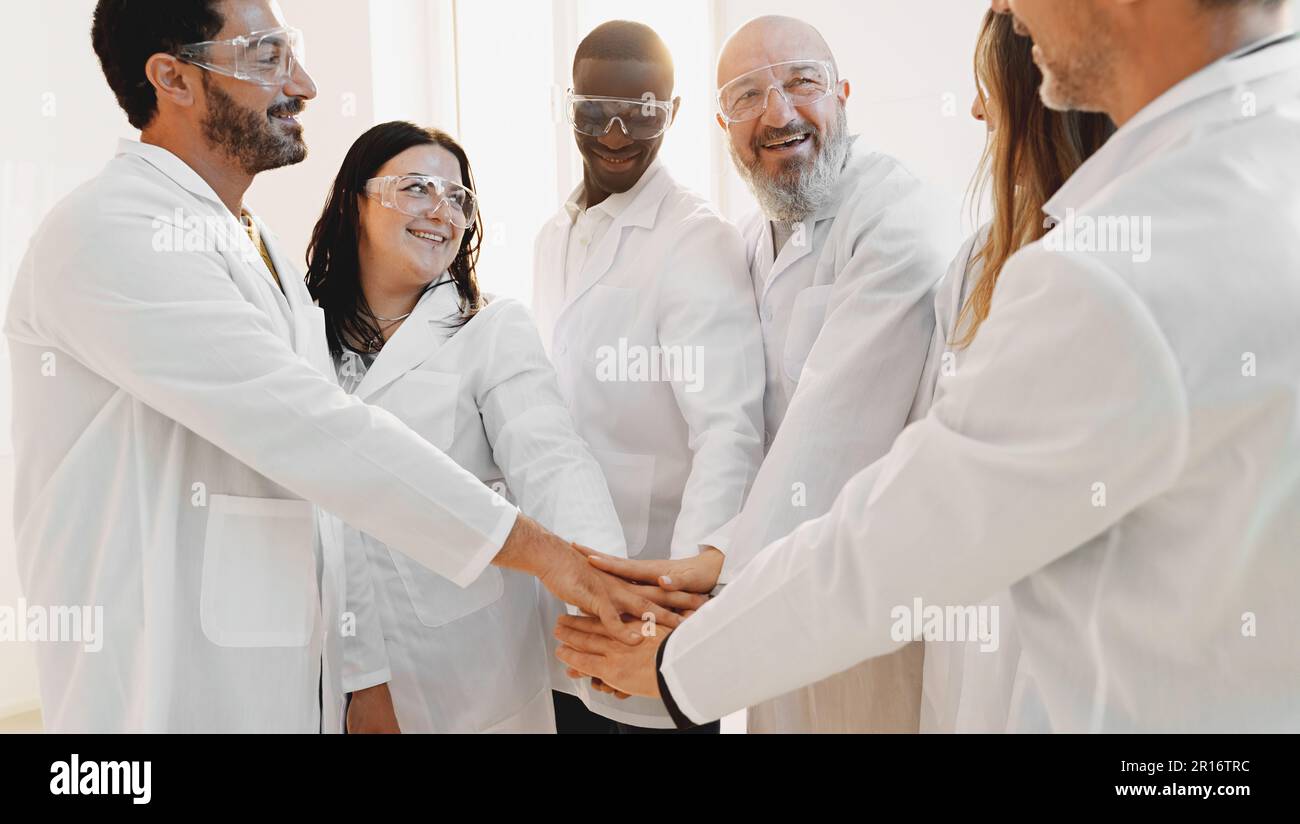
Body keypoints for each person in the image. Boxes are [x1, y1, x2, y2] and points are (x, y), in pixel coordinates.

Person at [558, 0, 1300, 733]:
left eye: (800, 82)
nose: (979, 107)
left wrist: (679, 659)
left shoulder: (1107, 266)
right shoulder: (1245, 153)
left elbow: (906, 518)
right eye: (746, 95)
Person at [4, 0, 676, 733]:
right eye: (267, 57)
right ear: (173, 77)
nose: (305, 84)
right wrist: (548, 556)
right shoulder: (114, 228)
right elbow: (314, 433)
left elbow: (547, 460)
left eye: (457, 197)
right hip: (159, 689)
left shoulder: (256, 253)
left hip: (301, 683)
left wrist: (591, 573)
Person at [585, 14, 960, 733]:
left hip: (864, 585)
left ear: (843, 95)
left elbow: (836, 424)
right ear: (724, 125)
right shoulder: (751, 239)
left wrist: (719, 566)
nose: (779, 113)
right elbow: (737, 418)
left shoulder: (900, 216)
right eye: (748, 95)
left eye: (801, 83)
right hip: (774, 585)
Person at [307, 121, 697, 733]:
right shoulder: (301, 334)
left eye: (457, 197)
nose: (443, 211)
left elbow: (553, 462)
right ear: (356, 201)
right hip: (326, 661)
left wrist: (600, 595)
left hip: (466, 666)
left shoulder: (489, 329)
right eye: (416, 188)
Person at [532, 20, 765, 733]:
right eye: (593, 110)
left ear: (675, 112)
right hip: (563, 600)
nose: (615, 133)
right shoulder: (553, 235)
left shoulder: (695, 240)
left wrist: (680, 619)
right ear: (568, 106)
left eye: (642, 111)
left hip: (649, 614)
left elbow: (728, 432)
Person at [914, 9, 1115, 733]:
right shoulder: (972, 263)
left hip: (1069, 656)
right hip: (970, 633)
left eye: (987, 89)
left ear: (1040, 98)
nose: (973, 109)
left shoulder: (1110, 265)